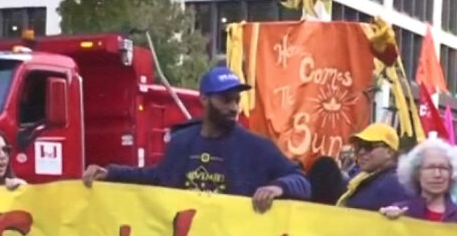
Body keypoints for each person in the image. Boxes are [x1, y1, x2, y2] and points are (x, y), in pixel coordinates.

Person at [83, 65, 309, 212]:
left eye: (236, 100)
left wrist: (278, 188)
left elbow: (302, 181)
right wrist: (111, 173)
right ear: (204, 99)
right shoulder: (182, 142)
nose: (233, 108)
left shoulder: (256, 147)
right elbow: (157, 177)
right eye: (225, 100)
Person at [380, 138, 457, 223]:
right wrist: (386, 221)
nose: (437, 174)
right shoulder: (401, 213)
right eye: (430, 167)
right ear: (417, 173)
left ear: (452, 174)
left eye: (443, 168)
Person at [336, 123, 409, 211]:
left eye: (368, 147)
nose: (361, 152)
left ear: (389, 152)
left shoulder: (394, 184)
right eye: (358, 147)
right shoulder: (360, 178)